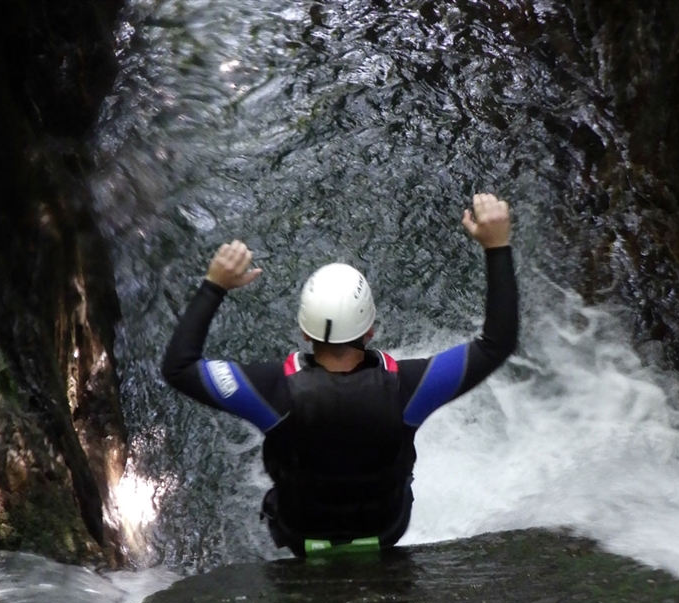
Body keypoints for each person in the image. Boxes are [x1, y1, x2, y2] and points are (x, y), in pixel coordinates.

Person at [161, 193, 518, 557]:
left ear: (304, 332)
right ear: (371, 330)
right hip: (386, 529)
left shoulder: (271, 392)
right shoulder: (409, 389)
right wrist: (497, 245)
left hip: (299, 534)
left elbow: (179, 366)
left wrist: (214, 285)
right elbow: (495, 344)